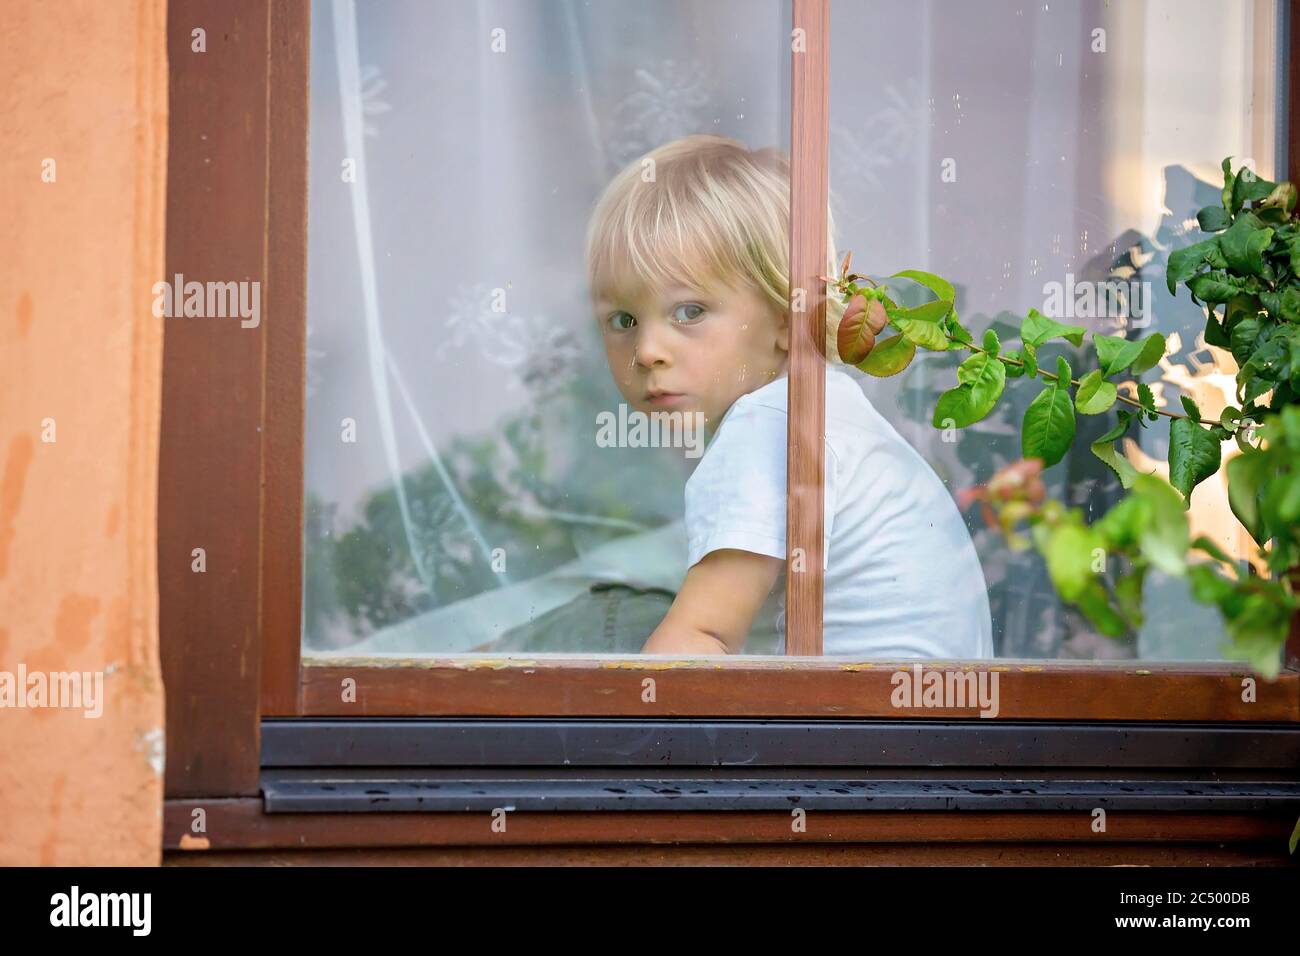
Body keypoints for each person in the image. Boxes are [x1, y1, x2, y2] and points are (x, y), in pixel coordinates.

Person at [584, 134, 993, 658]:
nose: (646, 350)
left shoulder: (768, 423)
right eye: (623, 320)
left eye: (689, 312)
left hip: (849, 734)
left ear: (784, 318)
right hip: (925, 730)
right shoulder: (821, 407)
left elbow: (700, 639)